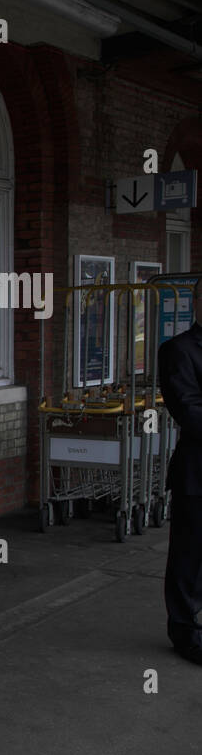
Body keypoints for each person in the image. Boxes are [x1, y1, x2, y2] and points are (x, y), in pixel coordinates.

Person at [158, 281, 202, 665]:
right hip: (197, 475)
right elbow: (189, 411)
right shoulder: (178, 351)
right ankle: (187, 634)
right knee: (190, 558)